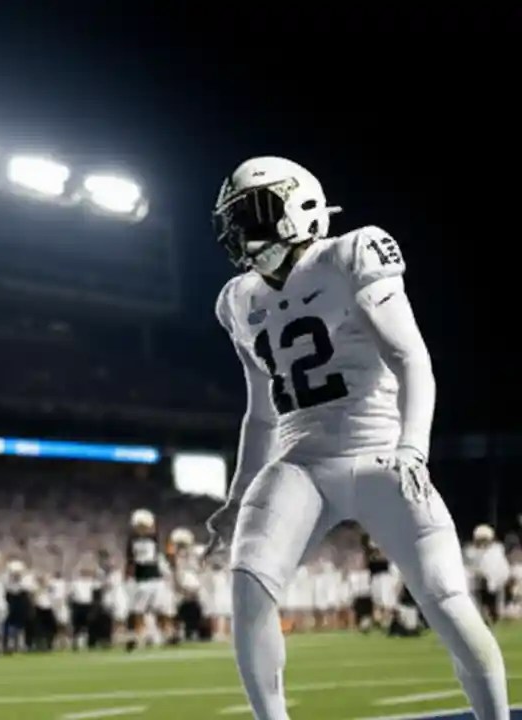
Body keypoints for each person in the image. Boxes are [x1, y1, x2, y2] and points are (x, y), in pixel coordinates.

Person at [206, 156, 508, 719]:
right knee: (247, 588)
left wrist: (412, 446)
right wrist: (236, 497)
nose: (242, 230)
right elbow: (261, 415)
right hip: (299, 461)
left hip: (379, 455)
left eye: (256, 213)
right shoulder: (238, 300)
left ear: (299, 210)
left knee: (446, 598)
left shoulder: (350, 254)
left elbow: (410, 356)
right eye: (235, 217)